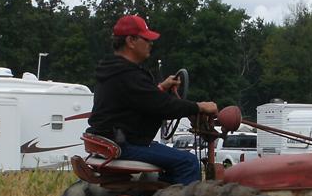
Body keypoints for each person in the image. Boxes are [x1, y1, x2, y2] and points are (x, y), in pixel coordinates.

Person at [88, 14, 218, 185]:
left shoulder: (113, 70)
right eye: (146, 39)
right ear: (131, 41)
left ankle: (161, 195)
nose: (151, 43)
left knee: (172, 161)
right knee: (188, 163)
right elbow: (164, 106)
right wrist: (199, 107)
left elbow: (141, 98)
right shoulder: (128, 74)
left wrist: (161, 88)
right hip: (125, 144)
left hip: (112, 139)